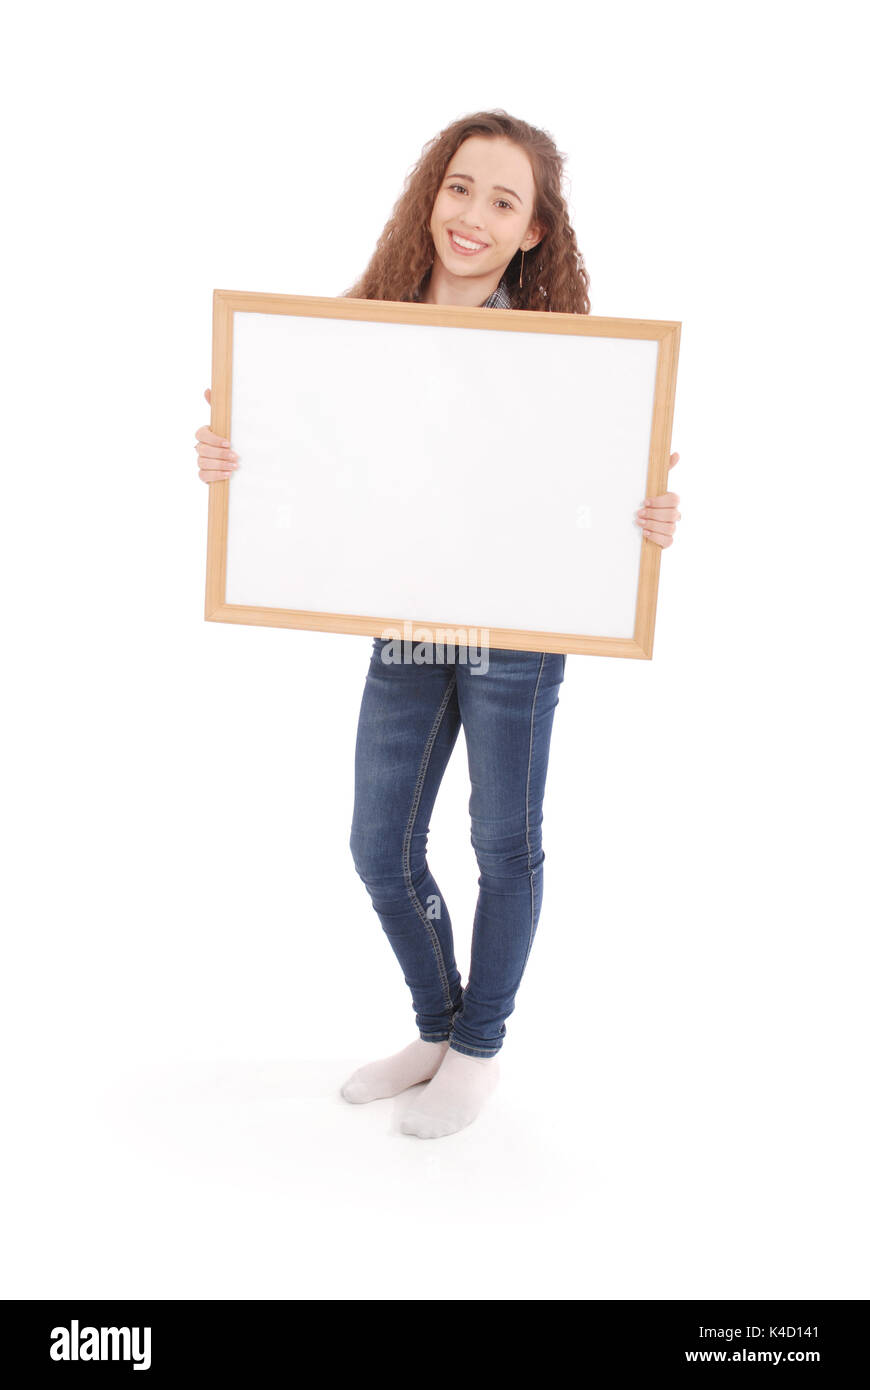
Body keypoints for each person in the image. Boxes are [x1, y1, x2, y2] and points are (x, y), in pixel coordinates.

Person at [194, 110, 682, 1140]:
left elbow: (595, 497)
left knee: (502, 842)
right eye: (462, 187)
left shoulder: (555, 357)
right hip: (412, 618)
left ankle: (479, 1045)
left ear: (534, 231)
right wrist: (235, 460)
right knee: (383, 847)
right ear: (434, 192)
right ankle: (437, 1026)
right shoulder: (362, 327)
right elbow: (301, 459)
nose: (474, 214)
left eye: (505, 200)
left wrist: (644, 517)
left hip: (519, 625)